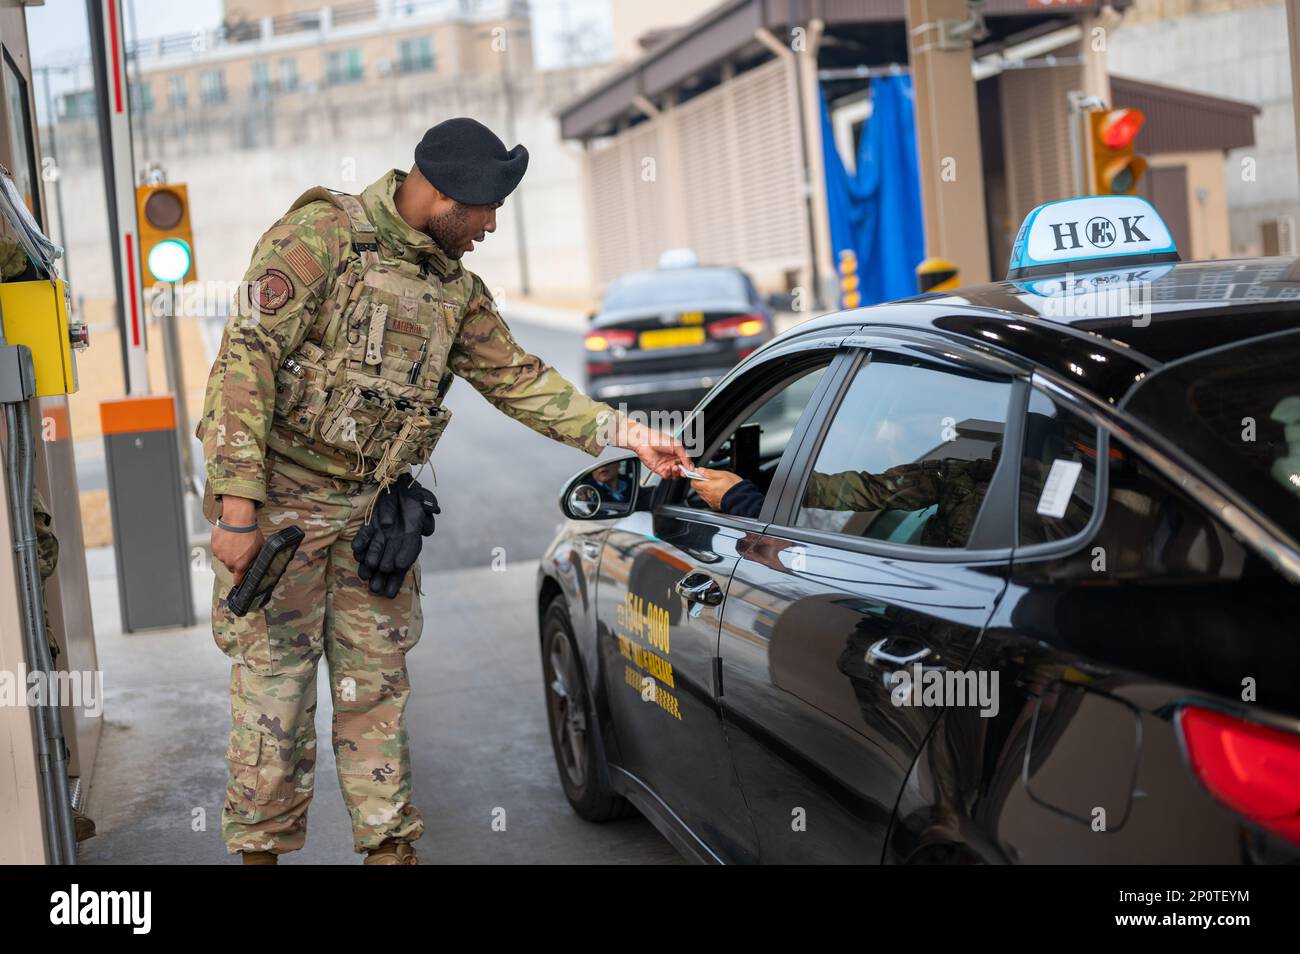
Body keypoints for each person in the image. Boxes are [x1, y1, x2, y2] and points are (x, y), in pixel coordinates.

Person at [198, 118, 690, 865]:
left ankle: (390, 853)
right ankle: (260, 856)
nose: (490, 226)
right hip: (281, 511)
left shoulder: (454, 290)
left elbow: (519, 379)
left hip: (371, 519)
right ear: (441, 190)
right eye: (484, 209)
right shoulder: (323, 237)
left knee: (377, 693)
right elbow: (246, 364)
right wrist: (237, 513)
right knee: (275, 698)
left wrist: (624, 433)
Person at [690, 453, 998, 549]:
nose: (885, 432)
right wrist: (789, 490)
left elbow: (874, 489)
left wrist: (743, 500)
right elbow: (876, 488)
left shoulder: (999, 491)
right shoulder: (966, 476)